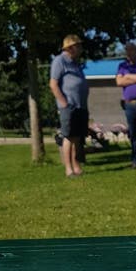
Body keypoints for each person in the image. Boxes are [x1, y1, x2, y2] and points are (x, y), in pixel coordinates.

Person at [49, 34, 89, 177]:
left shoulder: (75, 63)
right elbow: (53, 84)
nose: (80, 48)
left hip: (80, 106)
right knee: (68, 137)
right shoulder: (60, 61)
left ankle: (76, 165)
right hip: (69, 106)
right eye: (78, 46)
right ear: (71, 48)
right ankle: (68, 169)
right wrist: (64, 104)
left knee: (77, 138)